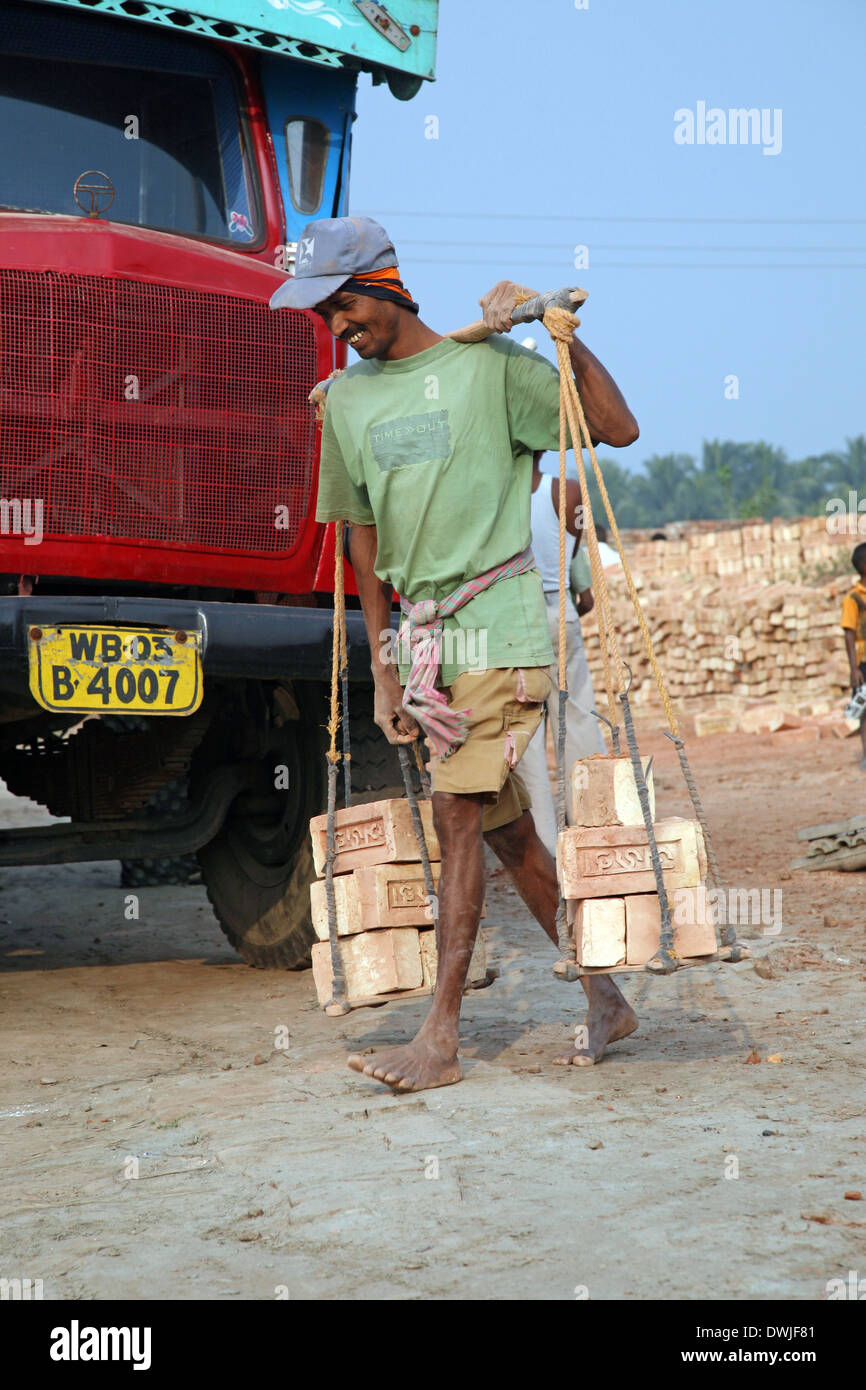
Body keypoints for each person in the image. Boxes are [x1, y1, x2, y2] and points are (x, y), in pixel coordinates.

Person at [271, 215, 640, 1092]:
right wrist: (383, 669)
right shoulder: (349, 401)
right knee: (508, 833)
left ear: (390, 285)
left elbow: (616, 429)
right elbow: (359, 544)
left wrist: (561, 339)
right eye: (325, 314)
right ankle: (607, 998)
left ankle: (440, 1039)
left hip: (501, 627)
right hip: (426, 640)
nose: (338, 326)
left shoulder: (491, 367)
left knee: (457, 817)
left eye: (345, 304)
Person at [518, 451, 605, 856]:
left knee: (527, 731)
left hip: (515, 618)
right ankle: (594, 823)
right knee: (578, 715)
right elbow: (574, 557)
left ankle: (544, 848)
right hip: (559, 612)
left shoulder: (498, 492)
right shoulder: (566, 491)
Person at [841, 541, 866, 771]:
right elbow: (849, 634)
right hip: (863, 662)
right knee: (864, 711)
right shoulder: (853, 599)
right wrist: (853, 668)